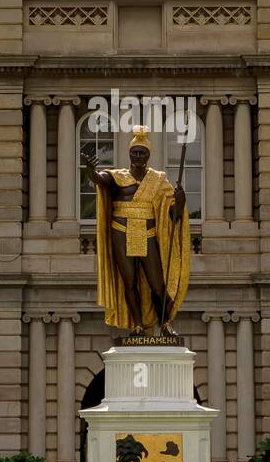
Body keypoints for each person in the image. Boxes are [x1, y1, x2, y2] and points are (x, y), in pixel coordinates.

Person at [81, 124, 190, 335]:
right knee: (129, 282)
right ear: (129, 154)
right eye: (134, 152)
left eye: (141, 152)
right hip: (120, 230)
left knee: (157, 284)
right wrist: (90, 172)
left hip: (147, 233)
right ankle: (138, 325)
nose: (137, 156)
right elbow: (100, 180)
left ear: (148, 155)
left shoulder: (158, 180)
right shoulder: (117, 176)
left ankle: (165, 323)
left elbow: (171, 213)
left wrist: (180, 202)